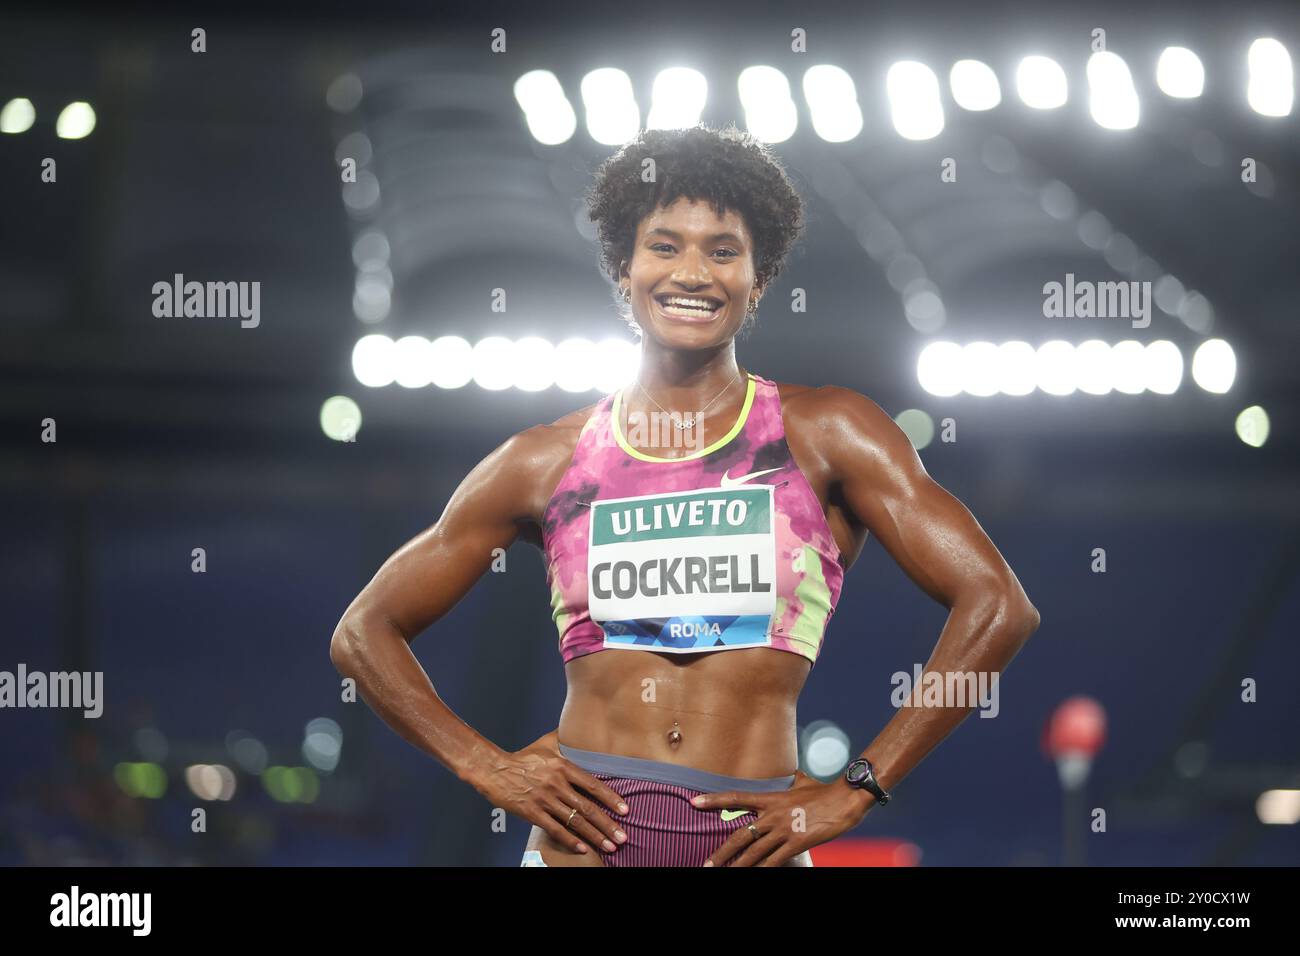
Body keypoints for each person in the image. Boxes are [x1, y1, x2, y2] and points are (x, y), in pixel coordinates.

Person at [330, 124, 1040, 867]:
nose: (693, 273)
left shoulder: (828, 433)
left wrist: (858, 786)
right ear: (623, 267)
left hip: (753, 851)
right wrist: (487, 766)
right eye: (665, 246)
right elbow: (362, 633)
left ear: (757, 276)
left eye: (724, 250)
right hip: (579, 852)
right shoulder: (544, 460)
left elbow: (997, 604)